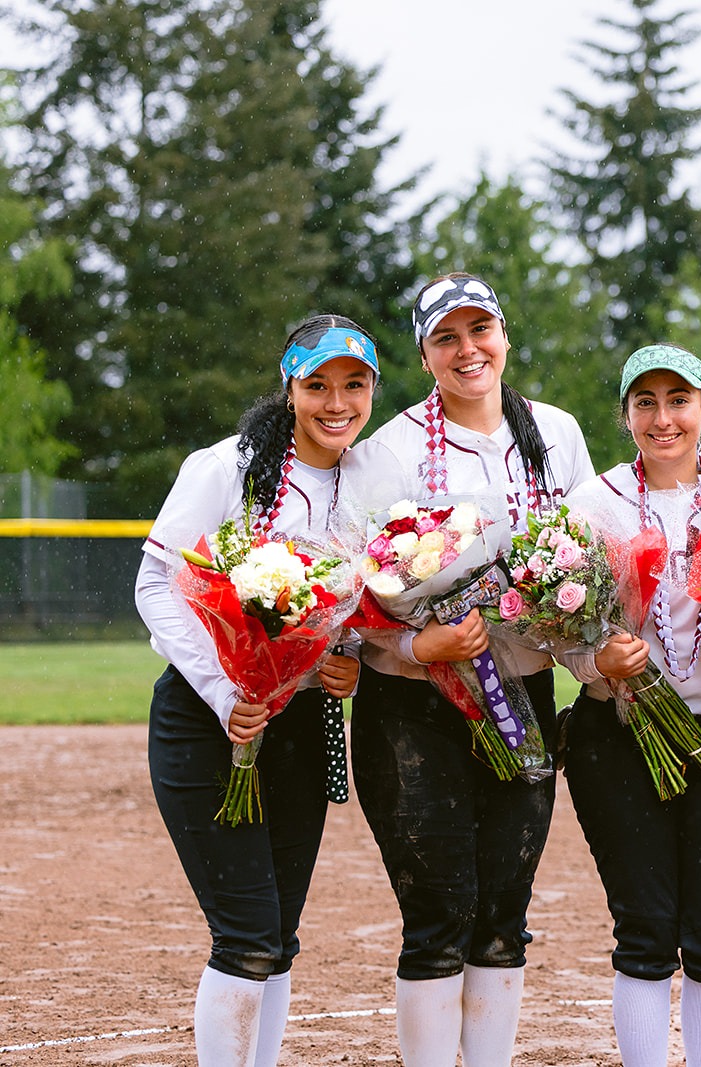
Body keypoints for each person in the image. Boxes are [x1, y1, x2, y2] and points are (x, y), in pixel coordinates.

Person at [341, 273, 594, 1067]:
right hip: (413, 706)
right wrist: (419, 647)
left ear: (505, 336)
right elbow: (356, 586)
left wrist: (571, 624)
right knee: (438, 909)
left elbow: (591, 557)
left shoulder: (554, 432)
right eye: (446, 336)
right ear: (425, 353)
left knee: (502, 910)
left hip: (523, 690)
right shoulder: (389, 450)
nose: (467, 349)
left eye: (479, 329)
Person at [138, 315, 380, 1066]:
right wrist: (224, 689)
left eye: (354, 384)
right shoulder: (226, 466)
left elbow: (366, 605)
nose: (336, 402)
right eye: (317, 385)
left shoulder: (370, 479)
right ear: (290, 387)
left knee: (276, 940)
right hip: (208, 721)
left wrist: (352, 659)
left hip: (303, 728)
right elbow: (156, 585)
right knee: (244, 936)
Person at [560, 344, 701, 1067]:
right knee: (644, 929)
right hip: (615, 734)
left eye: (679, 399)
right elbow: (548, 619)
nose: (663, 417)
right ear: (625, 415)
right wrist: (594, 658)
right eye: (644, 401)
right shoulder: (594, 502)